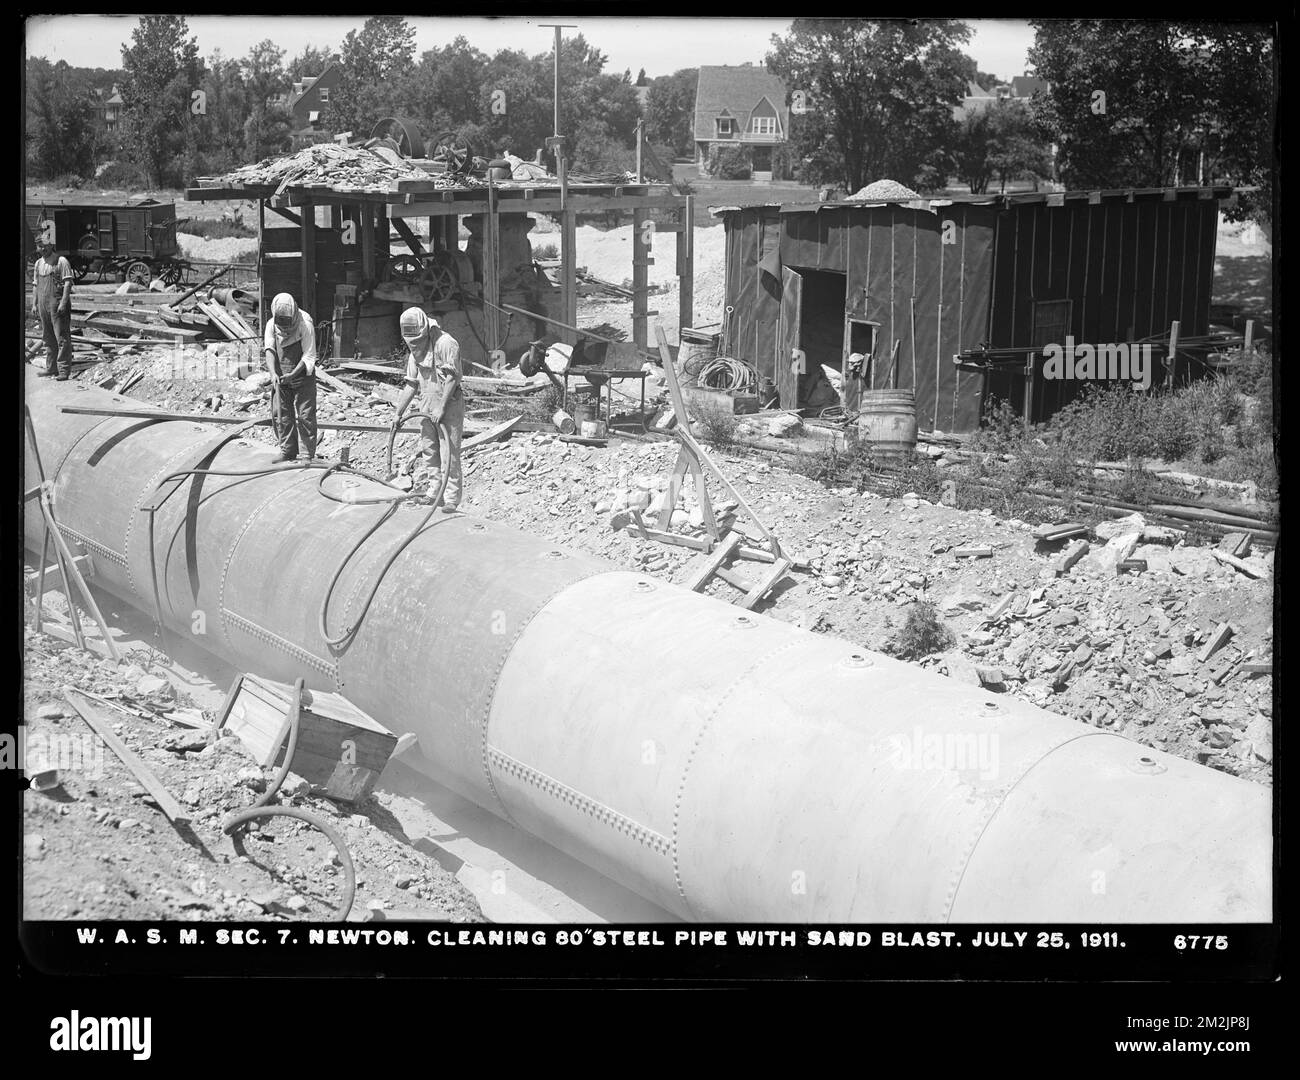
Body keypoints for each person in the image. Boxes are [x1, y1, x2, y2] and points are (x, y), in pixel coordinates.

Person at [393, 308, 463, 510]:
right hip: (426, 403)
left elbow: (451, 379)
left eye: (417, 340)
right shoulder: (416, 350)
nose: (414, 345)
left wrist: (441, 407)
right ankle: (434, 492)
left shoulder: (446, 343)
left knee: (449, 453)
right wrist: (398, 413)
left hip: (448, 404)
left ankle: (450, 499)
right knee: (429, 450)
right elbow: (411, 384)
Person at [263, 292, 318, 462]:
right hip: (281, 378)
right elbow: (270, 349)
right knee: (281, 414)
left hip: (302, 376)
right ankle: (287, 451)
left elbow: (309, 355)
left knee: (305, 415)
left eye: (288, 323)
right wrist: (273, 373)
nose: (285, 328)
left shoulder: (304, 323)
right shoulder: (271, 325)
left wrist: (294, 374)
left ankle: (307, 454)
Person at [32, 239, 75, 380]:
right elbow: (35, 285)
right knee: (48, 338)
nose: (43, 248)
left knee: (61, 337)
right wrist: (34, 304)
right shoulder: (39, 263)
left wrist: (63, 302)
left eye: (45, 246)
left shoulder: (61, 261)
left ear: (51, 245)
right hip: (43, 304)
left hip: (57, 304)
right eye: (40, 246)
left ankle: (63, 371)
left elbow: (68, 283)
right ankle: (51, 369)